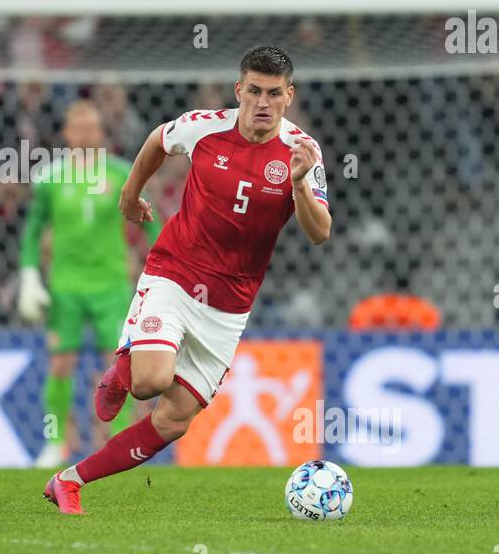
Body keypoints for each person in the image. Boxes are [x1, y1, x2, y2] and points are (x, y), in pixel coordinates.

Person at [44, 46, 332, 514]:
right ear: (239, 90)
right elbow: (158, 140)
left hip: (229, 305)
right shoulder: (205, 126)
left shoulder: (302, 153)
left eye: (274, 94)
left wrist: (299, 183)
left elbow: (320, 233)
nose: (262, 102)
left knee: (175, 421)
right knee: (148, 382)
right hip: (175, 274)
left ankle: (69, 481)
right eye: (254, 91)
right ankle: (123, 372)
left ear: (289, 96)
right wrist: (130, 193)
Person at [18, 100, 162, 466]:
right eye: (77, 128)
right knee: (60, 363)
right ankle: (56, 442)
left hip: (111, 285)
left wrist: (162, 265)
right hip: (65, 287)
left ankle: (115, 442)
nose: (84, 135)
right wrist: (30, 275)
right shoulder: (49, 178)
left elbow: (150, 221)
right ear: (66, 133)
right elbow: (33, 231)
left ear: (101, 133)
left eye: (91, 128)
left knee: (117, 367)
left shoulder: (121, 174)